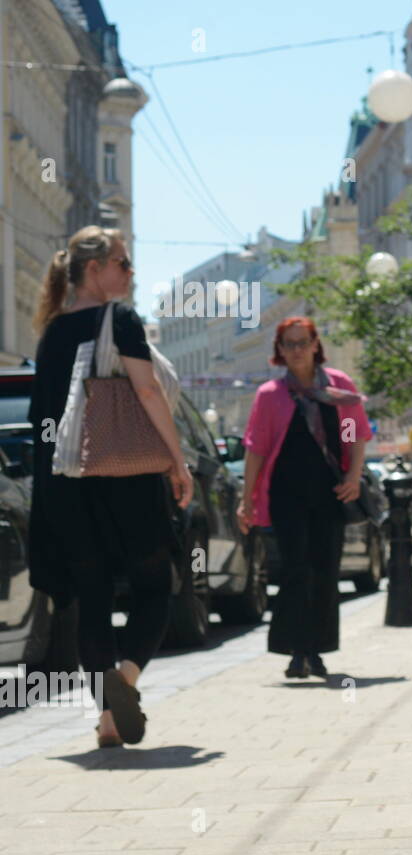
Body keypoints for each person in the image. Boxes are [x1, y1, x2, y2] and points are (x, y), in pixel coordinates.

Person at [27, 226, 193, 748]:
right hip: (127, 476)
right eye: (122, 262)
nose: (130, 272)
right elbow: (146, 388)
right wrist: (177, 459)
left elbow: (43, 419)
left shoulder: (51, 332)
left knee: (91, 597)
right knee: (154, 585)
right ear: (93, 270)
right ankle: (122, 684)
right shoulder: (118, 318)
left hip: (66, 484)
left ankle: (106, 719)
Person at [236, 318, 370, 679]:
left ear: (315, 345)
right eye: (288, 344)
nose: (295, 350)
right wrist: (246, 498)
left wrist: (354, 477)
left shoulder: (339, 387)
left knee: (325, 571)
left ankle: (318, 650)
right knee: (296, 570)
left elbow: (354, 433)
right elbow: (257, 450)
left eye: (302, 342)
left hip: (330, 493)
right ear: (279, 351)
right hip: (286, 495)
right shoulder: (271, 395)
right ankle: (297, 651)